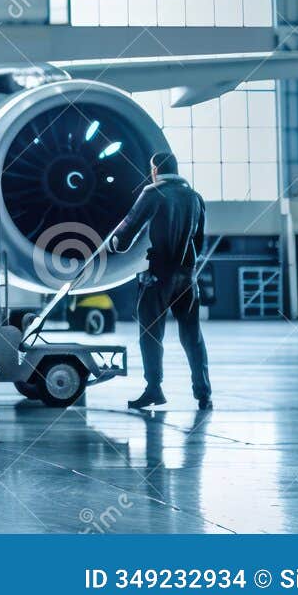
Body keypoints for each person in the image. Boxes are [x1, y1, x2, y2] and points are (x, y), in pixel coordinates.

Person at [107, 151, 212, 411]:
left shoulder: (152, 193)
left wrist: (113, 243)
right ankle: (203, 394)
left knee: (151, 335)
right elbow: (200, 241)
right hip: (187, 278)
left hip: (158, 277)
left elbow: (126, 233)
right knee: (192, 336)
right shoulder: (195, 197)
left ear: (155, 170)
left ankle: (154, 388)